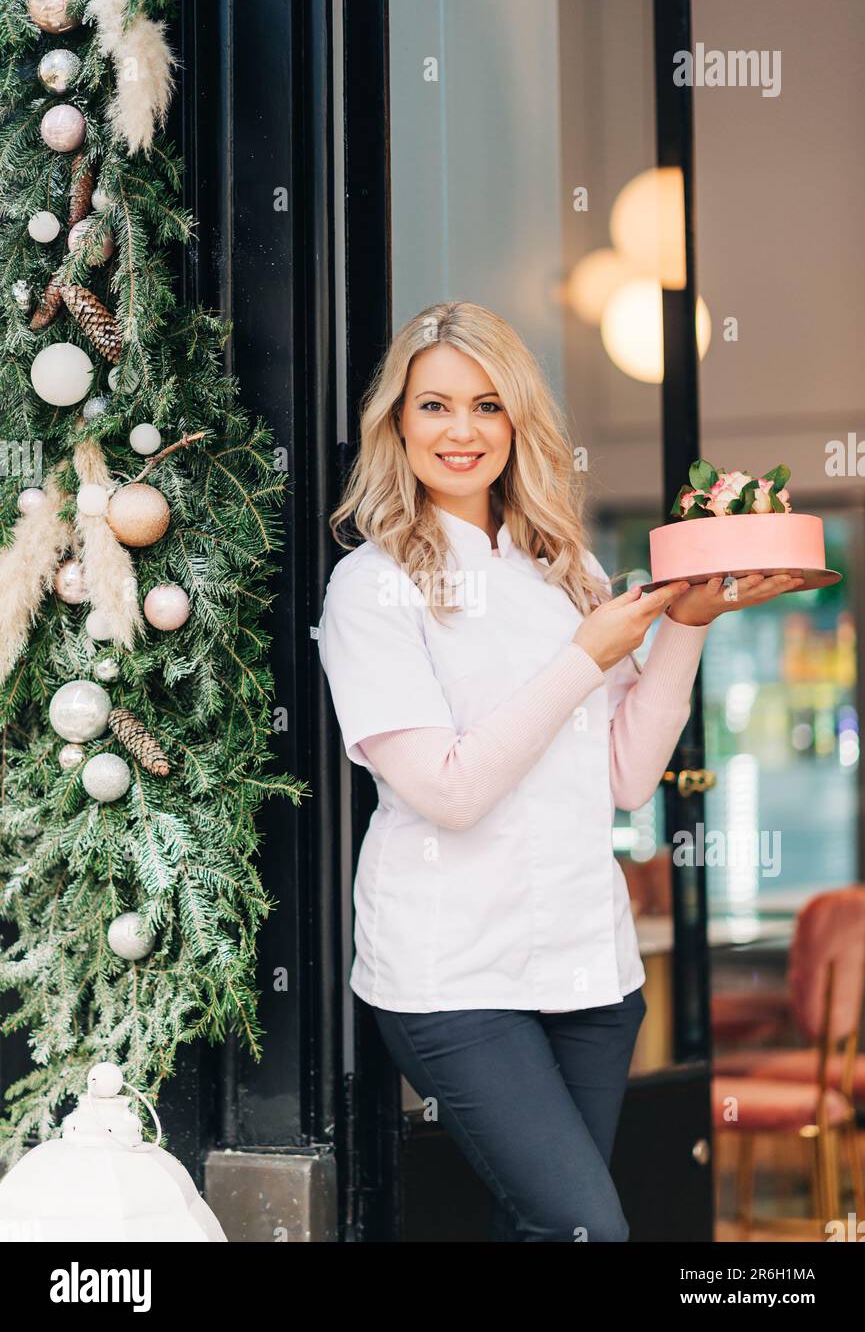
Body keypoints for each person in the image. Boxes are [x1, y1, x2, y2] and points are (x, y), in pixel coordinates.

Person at [315, 301, 804, 1242]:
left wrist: (683, 630)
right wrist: (584, 655)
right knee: (587, 1231)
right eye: (435, 407)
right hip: (451, 976)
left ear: (517, 422)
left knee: (532, 1228)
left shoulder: (565, 566)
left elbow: (624, 779)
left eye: (488, 406)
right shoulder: (372, 586)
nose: (462, 431)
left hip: (592, 970)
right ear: (397, 423)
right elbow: (450, 793)